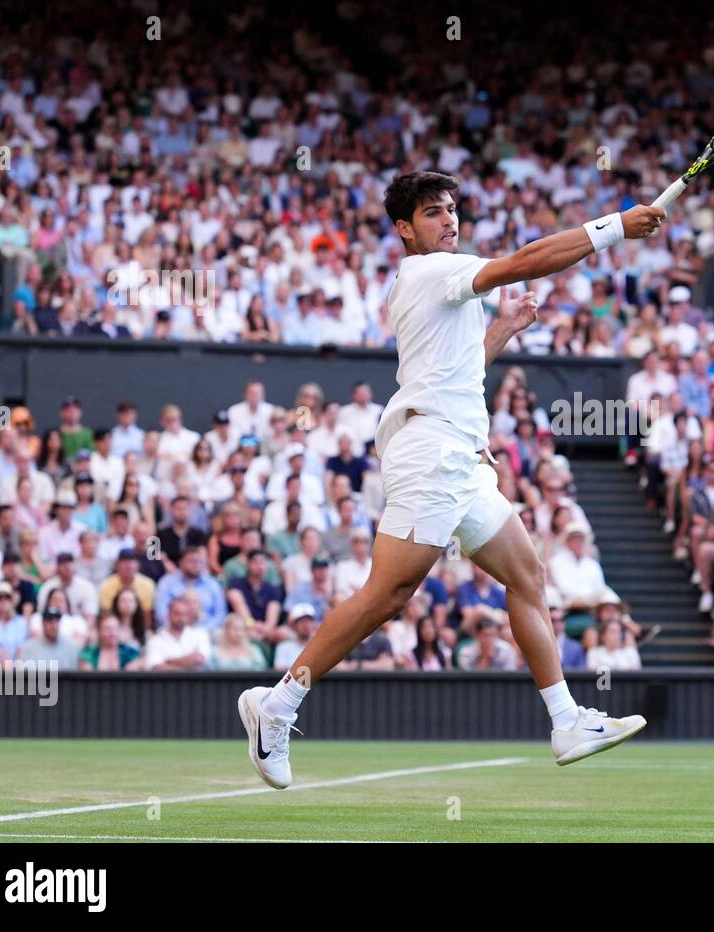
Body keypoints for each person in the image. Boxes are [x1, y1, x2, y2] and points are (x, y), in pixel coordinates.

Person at [238, 171, 655, 787]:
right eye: (433, 213)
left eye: (452, 210)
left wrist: (501, 331)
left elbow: (457, 373)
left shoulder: (445, 289)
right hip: (430, 453)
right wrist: (616, 226)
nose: (449, 220)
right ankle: (277, 704)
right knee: (388, 596)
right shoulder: (430, 272)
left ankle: (566, 721)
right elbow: (526, 261)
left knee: (527, 573)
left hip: (460, 457)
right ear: (404, 229)